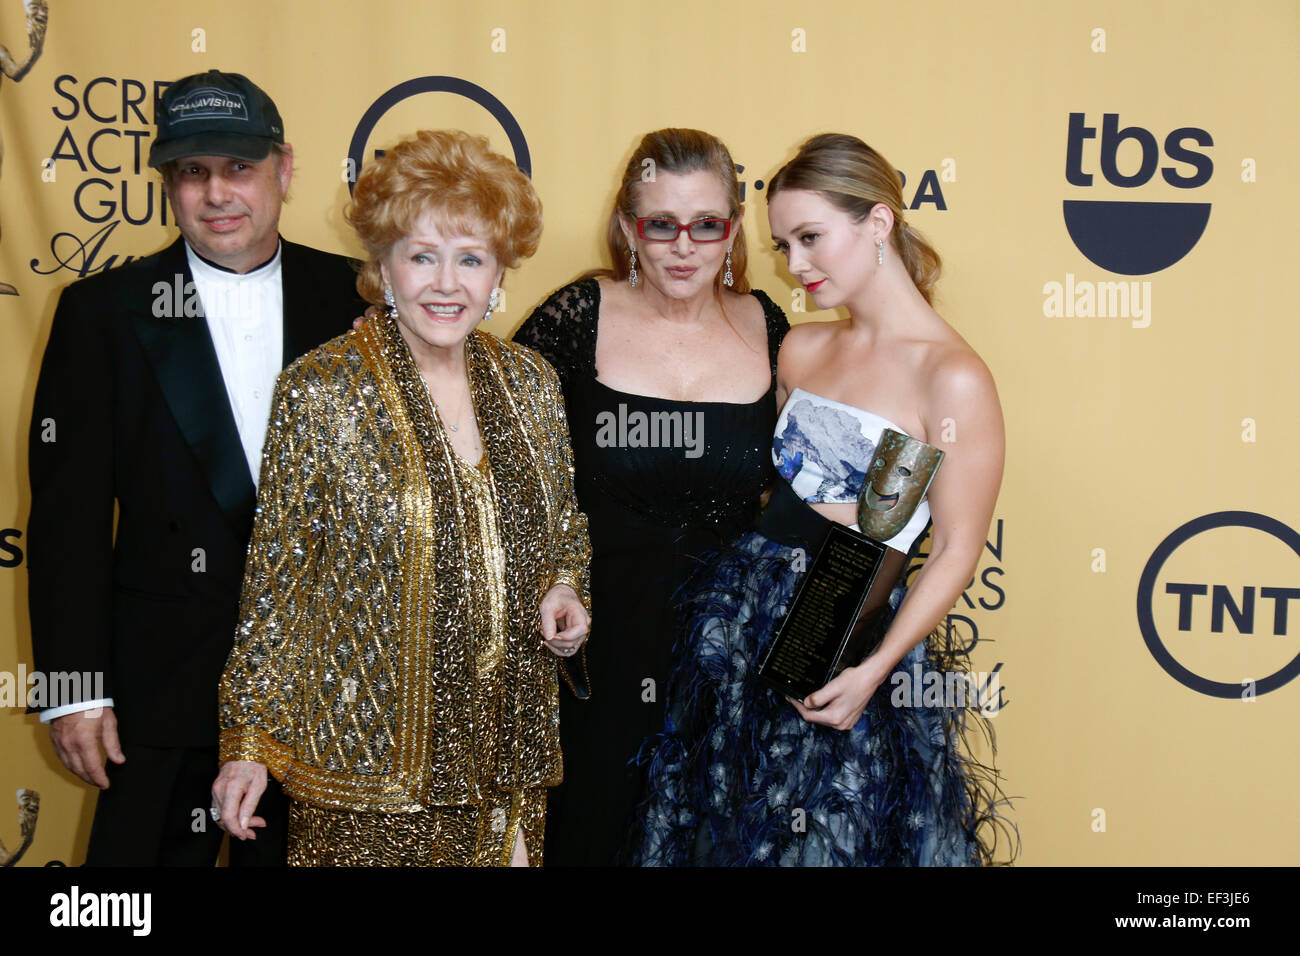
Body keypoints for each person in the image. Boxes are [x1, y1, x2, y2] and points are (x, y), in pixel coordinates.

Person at [211, 129, 591, 867]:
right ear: (383, 267)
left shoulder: (531, 384)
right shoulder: (322, 389)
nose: (446, 284)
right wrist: (249, 744)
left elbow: (565, 526)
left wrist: (567, 588)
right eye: (422, 257)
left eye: (471, 259)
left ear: (499, 270)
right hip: (367, 781)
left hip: (506, 770)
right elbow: (278, 588)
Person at [634, 133, 1013, 866]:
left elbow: (958, 550)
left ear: (877, 224)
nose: (794, 266)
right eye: (782, 245)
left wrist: (873, 672)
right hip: (741, 637)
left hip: (853, 652)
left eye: (810, 238)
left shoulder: (954, 379)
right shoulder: (800, 350)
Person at [26, 69, 364, 866]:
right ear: (169, 183)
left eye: (239, 169)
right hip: (159, 687)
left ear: (283, 169)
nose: (217, 194)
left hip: (321, 690)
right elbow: (67, 520)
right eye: (192, 172)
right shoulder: (102, 313)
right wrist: (73, 687)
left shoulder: (359, 298)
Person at [512, 128, 789, 865]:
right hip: (592, 645)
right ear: (629, 227)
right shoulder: (578, 315)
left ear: (732, 228)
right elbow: (497, 450)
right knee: (594, 836)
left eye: (707, 225)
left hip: (727, 659)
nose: (683, 246)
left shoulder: (772, 327)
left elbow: (816, 495)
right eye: (659, 224)